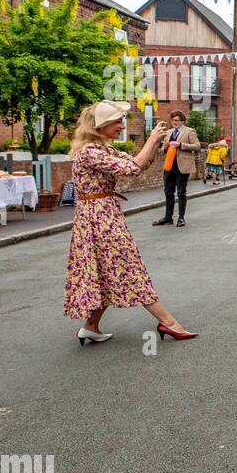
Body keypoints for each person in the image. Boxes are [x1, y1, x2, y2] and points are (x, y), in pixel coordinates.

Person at [64, 101, 197, 344]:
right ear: (100, 126)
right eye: (116, 121)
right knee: (129, 266)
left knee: (105, 271)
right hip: (98, 216)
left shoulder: (103, 149)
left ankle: (91, 326)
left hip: (103, 213)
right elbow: (133, 168)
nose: (121, 125)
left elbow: (141, 163)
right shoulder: (91, 152)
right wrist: (152, 138)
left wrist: (155, 142)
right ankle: (168, 323)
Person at [153, 110, 200, 227]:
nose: (174, 122)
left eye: (177, 120)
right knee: (168, 192)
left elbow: (197, 146)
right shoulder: (168, 133)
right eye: (173, 120)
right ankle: (168, 217)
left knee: (181, 192)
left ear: (182, 120)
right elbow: (162, 149)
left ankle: (181, 218)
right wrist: (165, 147)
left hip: (182, 166)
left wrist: (180, 145)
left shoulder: (189, 131)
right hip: (169, 165)